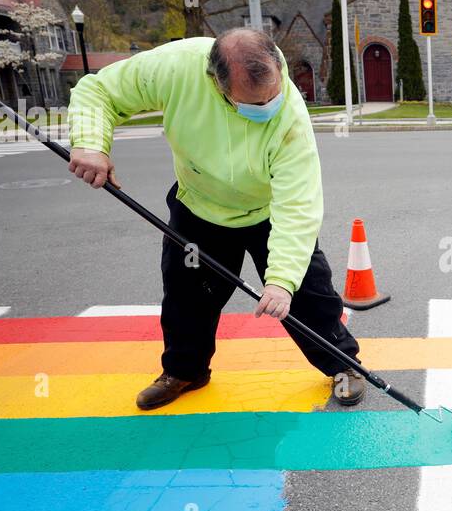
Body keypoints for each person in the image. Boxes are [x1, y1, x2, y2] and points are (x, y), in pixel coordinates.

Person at [66, 28, 365, 410]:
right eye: (255, 103)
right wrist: (91, 143)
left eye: (273, 94)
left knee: (309, 291)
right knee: (186, 295)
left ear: (276, 63)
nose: (268, 105)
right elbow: (98, 91)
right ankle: (184, 370)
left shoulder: (289, 115)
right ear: (217, 83)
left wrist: (281, 282)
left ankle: (343, 364)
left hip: (268, 210)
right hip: (200, 204)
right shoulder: (177, 66)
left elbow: (298, 205)